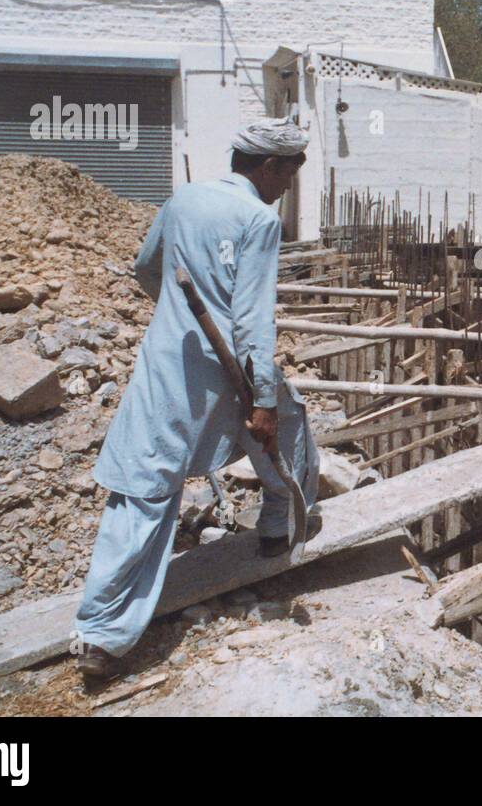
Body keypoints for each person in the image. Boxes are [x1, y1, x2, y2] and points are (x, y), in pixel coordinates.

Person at [72, 117, 320, 680]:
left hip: (171, 358)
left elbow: (145, 268)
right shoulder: (259, 219)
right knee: (282, 426)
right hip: (228, 364)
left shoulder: (183, 199)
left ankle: (101, 634)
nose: (289, 185)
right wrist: (259, 399)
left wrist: (176, 314)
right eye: (289, 172)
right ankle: (280, 522)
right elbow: (255, 321)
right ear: (268, 166)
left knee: (146, 483)